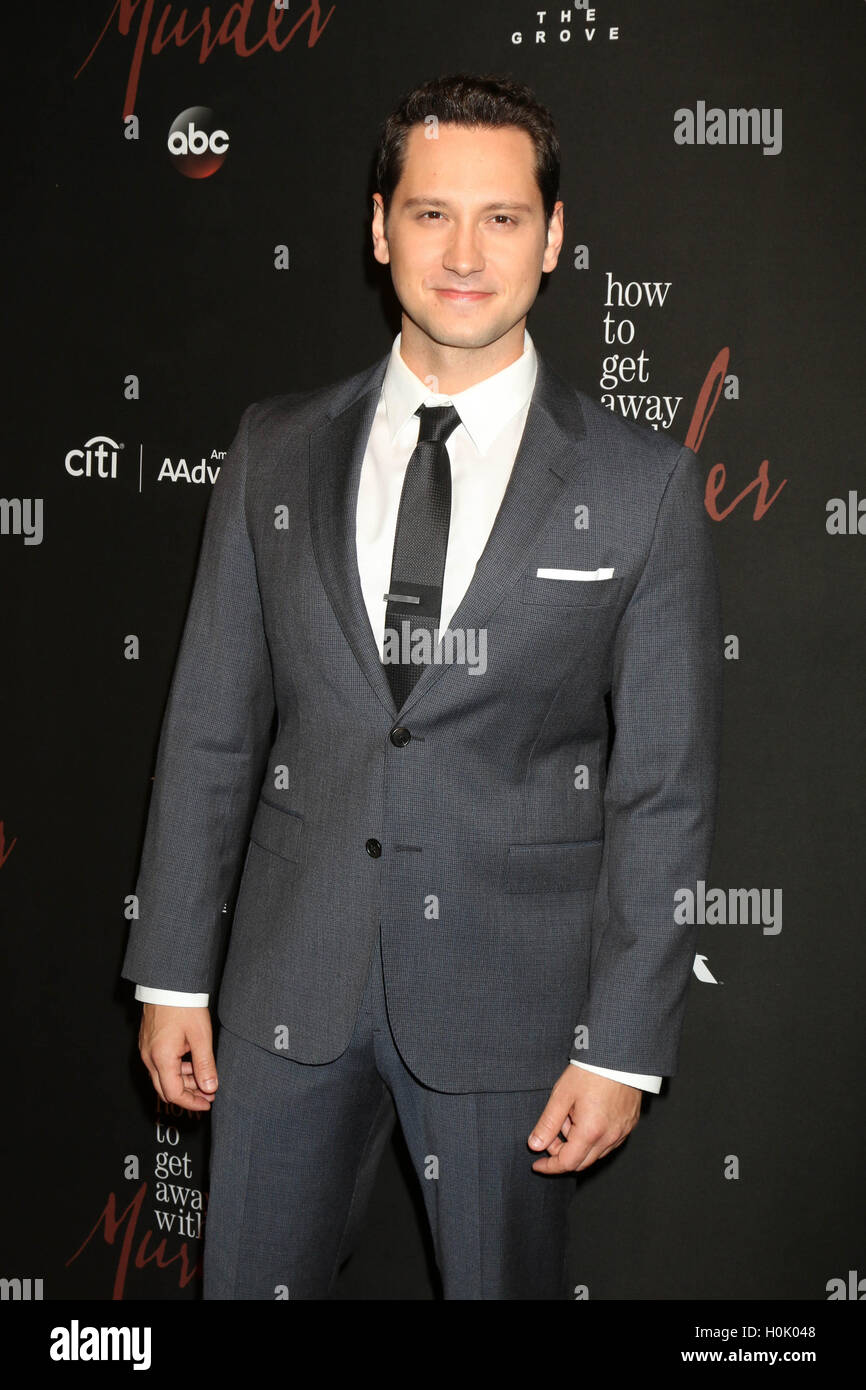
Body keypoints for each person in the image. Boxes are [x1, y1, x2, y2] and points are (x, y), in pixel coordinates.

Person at [122, 72, 723, 1300]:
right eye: (432, 212)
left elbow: (661, 787)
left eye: (501, 217)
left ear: (551, 238)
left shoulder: (641, 484)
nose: (463, 252)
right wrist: (173, 966)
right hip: (288, 986)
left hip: (514, 1005)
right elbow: (211, 728)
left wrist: (623, 1046)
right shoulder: (272, 446)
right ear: (378, 224)